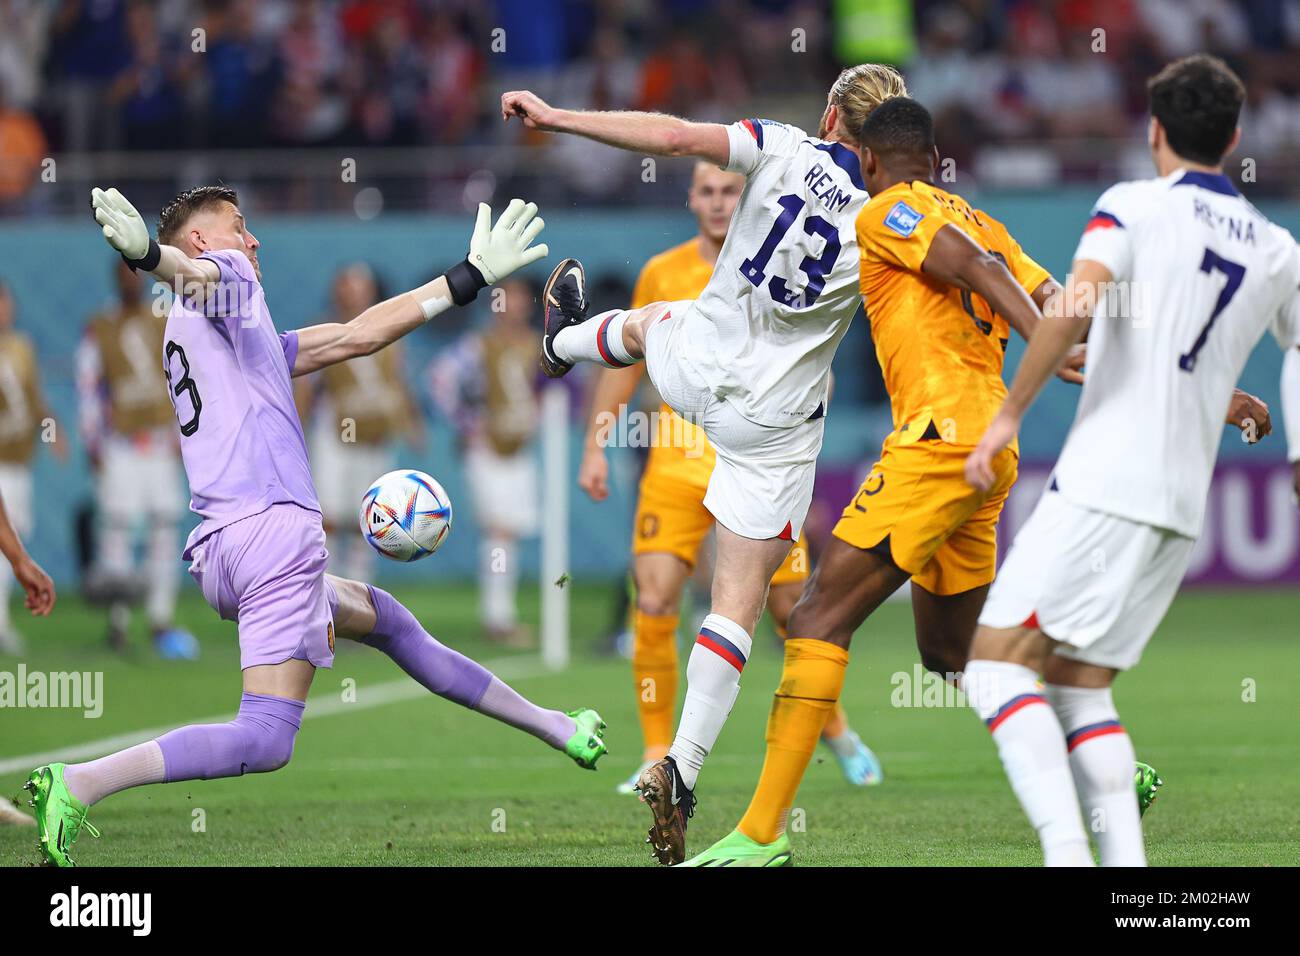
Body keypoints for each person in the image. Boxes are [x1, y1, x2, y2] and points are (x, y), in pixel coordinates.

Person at [23, 185, 606, 868]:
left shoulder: (221, 332)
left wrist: (467, 277)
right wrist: (152, 255)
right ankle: (78, 783)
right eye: (240, 227)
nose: (254, 241)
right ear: (207, 242)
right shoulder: (228, 281)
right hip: (272, 532)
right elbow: (196, 271)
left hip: (224, 550)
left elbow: (360, 334)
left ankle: (556, 727)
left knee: (387, 622)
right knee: (265, 738)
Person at [503, 64, 908, 864]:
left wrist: (558, 119)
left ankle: (558, 343)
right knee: (738, 605)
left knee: (652, 320)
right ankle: (681, 769)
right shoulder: (890, 220)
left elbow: (675, 135)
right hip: (775, 422)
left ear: (830, 116)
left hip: (692, 373)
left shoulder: (781, 144)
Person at [680, 97, 1090, 867]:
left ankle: (760, 834)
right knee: (951, 653)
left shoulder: (886, 212)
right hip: (990, 454)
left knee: (815, 620)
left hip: (938, 442)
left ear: (867, 158)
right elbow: (1055, 297)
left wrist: (1041, 343)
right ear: (935, 158)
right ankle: (1095, 745)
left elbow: (979, 269)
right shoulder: (979, 213)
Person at [960, 54, 1297, 866]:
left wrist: (1009, 413)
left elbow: (1075, 306)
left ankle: (1067, 855)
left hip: (1106, 479)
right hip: (1181, 502)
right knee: (1079, 686)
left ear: (1155, 133)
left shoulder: (1133, 206)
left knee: (995, 672)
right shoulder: (1279, 248)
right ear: (1236, 137)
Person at [577, 160, 881, 795]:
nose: (718, 203)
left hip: (753, 461)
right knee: (655, 598)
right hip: (675, 462)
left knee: (789, 609)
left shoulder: (777, 258)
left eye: (728, 192)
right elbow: (625, 358)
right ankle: (659, 753)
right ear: (690, 200)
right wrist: (597, 442)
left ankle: (837, 731)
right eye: (707, 192)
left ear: (745, 198)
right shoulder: (663, 271)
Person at [78, 259, 195, 656]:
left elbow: (181, 379)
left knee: (164, 528)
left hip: (160, 442)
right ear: (115, 279)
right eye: (123, 274)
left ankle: (161, 617)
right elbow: (89, 385)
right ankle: (118, 621)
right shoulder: (100, 326)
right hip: (122, 444)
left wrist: (186, 435)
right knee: (118, 532)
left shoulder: (163, 320)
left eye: (135, 273)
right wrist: (93, 442)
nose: (131, 280)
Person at [429, 276, 542, 646]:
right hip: (487, 448)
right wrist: (469, 423)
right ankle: (498, 617)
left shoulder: (536, 345)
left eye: (521, 298)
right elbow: (439, 378)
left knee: (512, 530)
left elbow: (556, 392)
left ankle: (501, 612)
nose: (514, 305)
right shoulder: (479, 345)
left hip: (520, 447)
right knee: (499, 530)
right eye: (507, 298)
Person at [299, 263, 423, 582]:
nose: (354, 295)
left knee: (368, 518)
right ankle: (323, 587)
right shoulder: (321, 329)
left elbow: (398, 381)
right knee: (327, 515)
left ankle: (357, 590)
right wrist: (295, 429)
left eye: (361, 288)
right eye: (348, 287)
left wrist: (411, 424)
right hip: (335, 431)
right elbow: (306, 387)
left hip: (375, 434)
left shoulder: (389, 332)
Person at [0, 279, 63, 653]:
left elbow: (36, 401)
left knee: (14, 542)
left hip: (19, 461)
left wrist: (52, 434)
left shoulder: (23, 348)